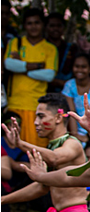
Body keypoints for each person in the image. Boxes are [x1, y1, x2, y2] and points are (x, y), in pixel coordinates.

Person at [4, 8, 57, 147]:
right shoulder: (15, 42)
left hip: (37, 106)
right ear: (24, 26)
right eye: (29, 23)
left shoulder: (50, 48)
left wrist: (21, 67)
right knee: (13, 150)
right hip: (14, 105)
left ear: (43, 25)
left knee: (36, 150)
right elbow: (8, 64)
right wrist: (37, 66)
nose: (33, 26)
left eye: (37, 23)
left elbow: (49, 75)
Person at [46, 13, 76, 93]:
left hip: (66, 93)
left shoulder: (72, 49)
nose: (55, 29)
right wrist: (58, 82)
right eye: (52, 26)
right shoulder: (41, 47)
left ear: (63, 28)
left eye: (59, 26)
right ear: (46, 27)